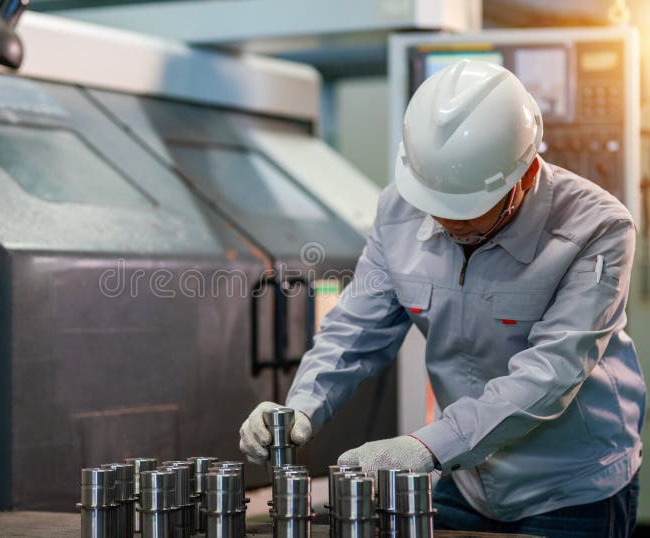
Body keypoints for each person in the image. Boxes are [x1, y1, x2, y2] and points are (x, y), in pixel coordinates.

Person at [239, 59, 645, 537]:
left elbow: (550, 374)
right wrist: (301, 407)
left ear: (526, 173)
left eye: (468, 210)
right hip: (465, 477)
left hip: (569, 485)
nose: (447, 224)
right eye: (435, 206)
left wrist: (424, 448)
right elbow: (354, 331)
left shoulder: (596, 228)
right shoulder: (400, 209)